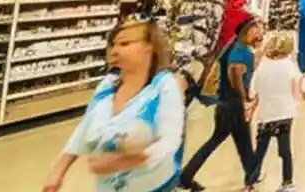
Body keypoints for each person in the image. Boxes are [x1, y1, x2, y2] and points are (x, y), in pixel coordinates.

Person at [43, 20, 184, 192]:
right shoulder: (107, 86)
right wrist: (58, 171)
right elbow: (84, 129)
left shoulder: (164, 86)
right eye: (113, 44)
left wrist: (124, 162)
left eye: (125, 43)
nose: (115, 50)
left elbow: (170, 141)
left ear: (150, 46)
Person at [179, 16, 263, 192]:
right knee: (242, 143)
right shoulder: (241, 53)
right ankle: (251, 178)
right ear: (246, 31)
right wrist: (245, 100)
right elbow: (236, 80)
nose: (258, 35)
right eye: (255, 31)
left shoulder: (233, 48)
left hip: (225, 105)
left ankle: (186, 177)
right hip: (233, 106)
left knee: (234, 143)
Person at [250, 33, 302, 192]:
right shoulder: (290, 66)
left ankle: (250, 181)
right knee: (285, 150)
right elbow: (296, 91)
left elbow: (254, 91)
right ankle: (287, 182)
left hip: (266, 114)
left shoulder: (262, 67)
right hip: (285, 113)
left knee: (260, 150)